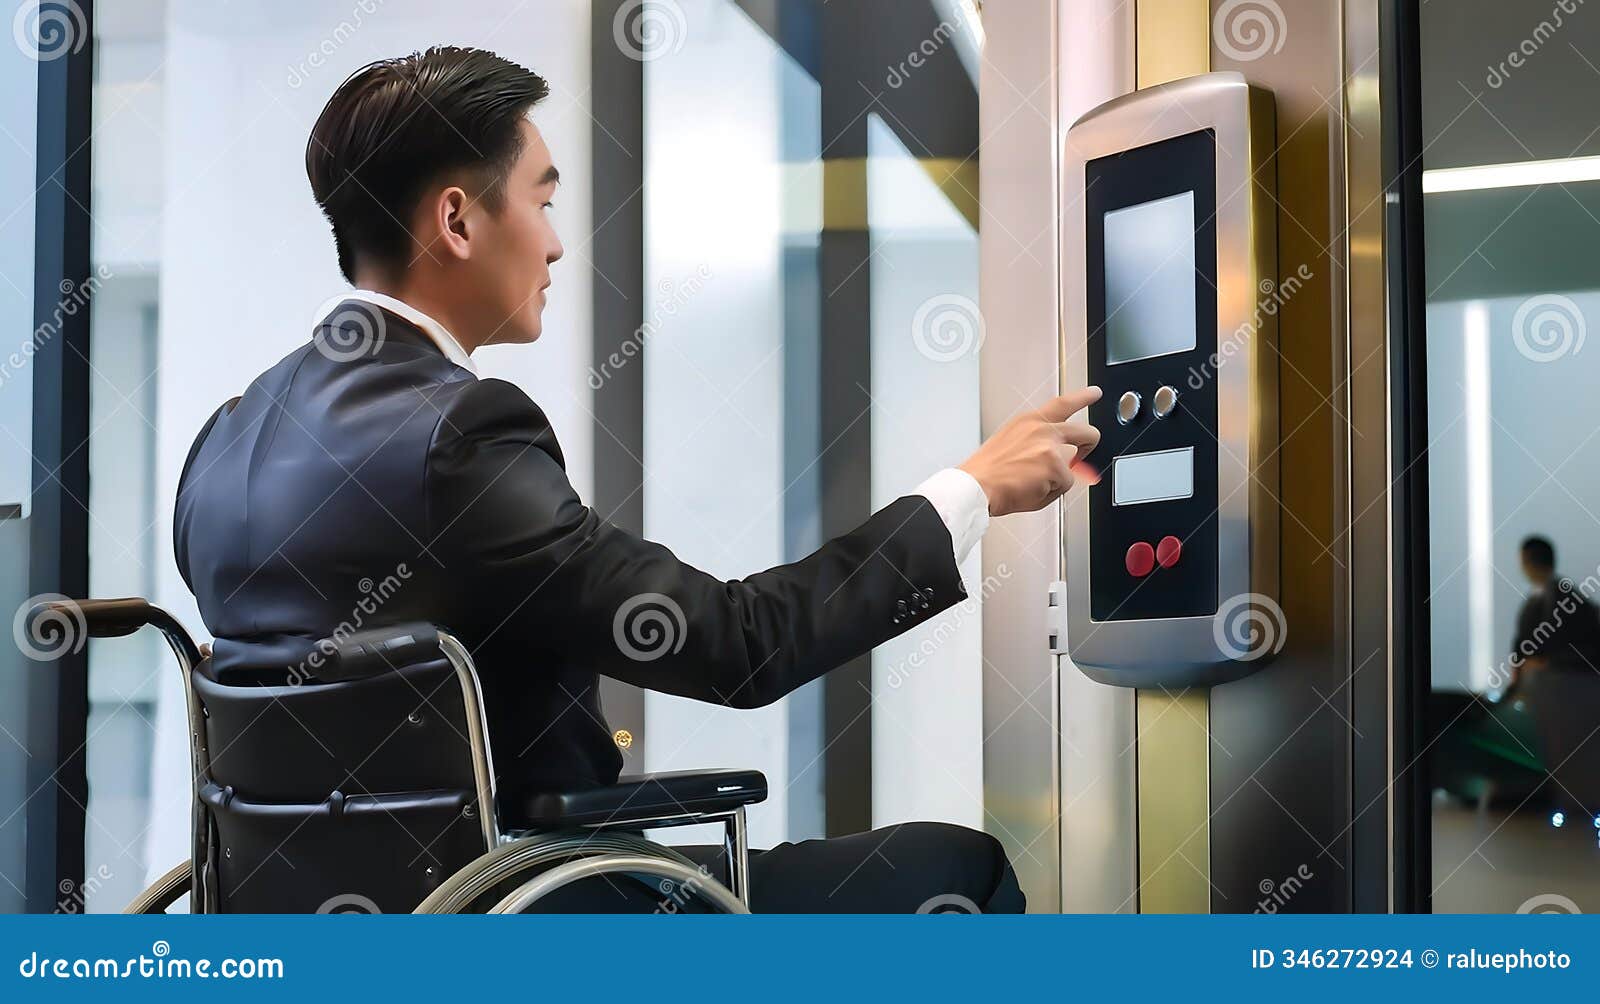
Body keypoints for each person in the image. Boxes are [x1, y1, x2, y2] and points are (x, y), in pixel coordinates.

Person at [173, 47, 1101, 913]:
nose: (556, 245)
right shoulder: (459, 434)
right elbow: (738, 647)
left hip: (300, 918)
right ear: (457, 220)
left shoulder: (228, 440)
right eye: (540, 203)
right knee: (955, 871)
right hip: (531, 908)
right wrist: (974, 488)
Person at [1508, 535, 1600, 694]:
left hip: (1564, 685)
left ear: (1526, 560)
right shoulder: (1545, 596)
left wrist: (1544, 662)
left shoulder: (1558, 597)